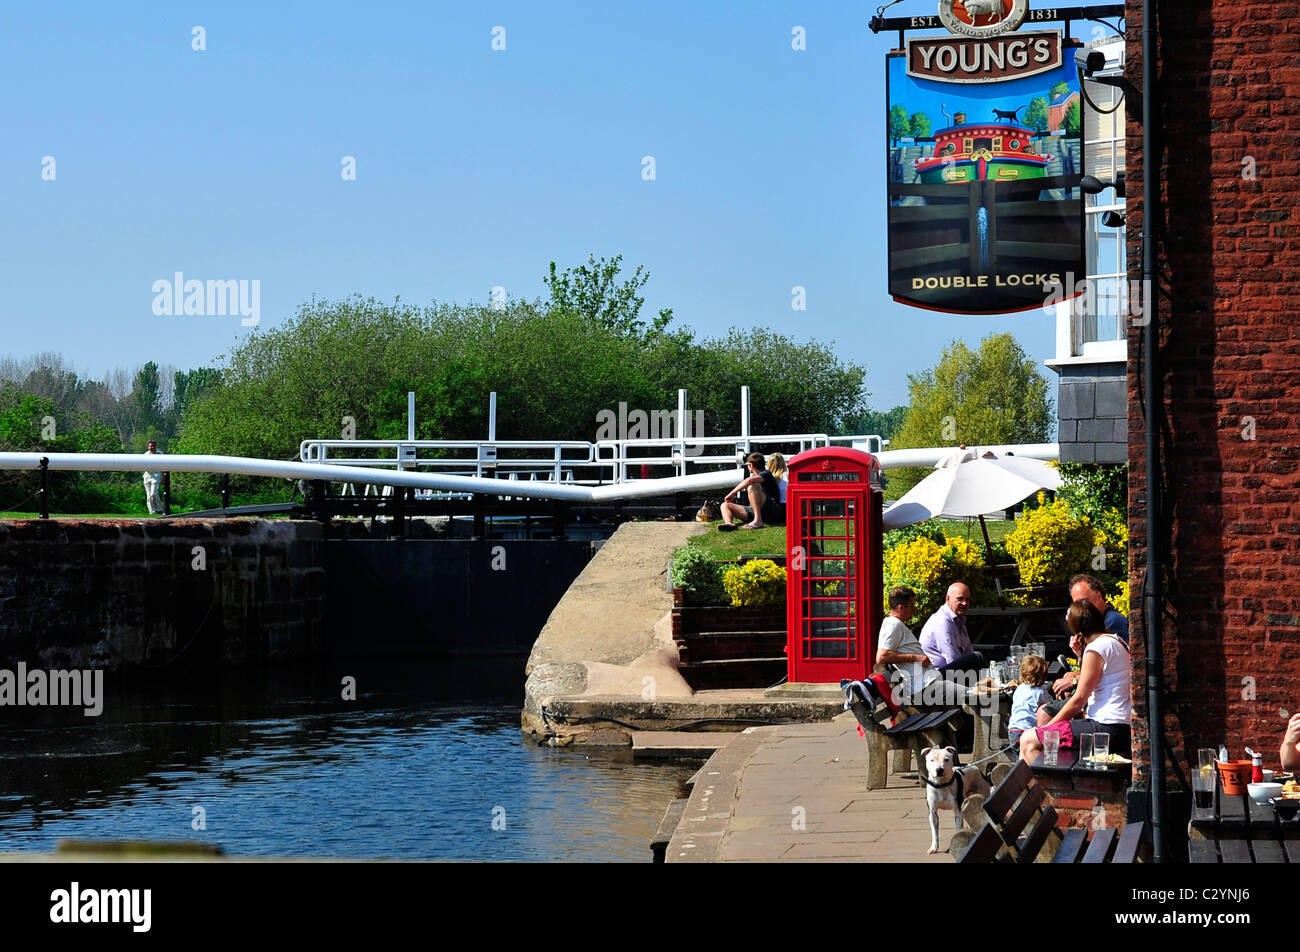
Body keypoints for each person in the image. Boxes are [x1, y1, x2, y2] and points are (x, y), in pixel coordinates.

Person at [1019, 600, 1131, 763]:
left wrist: (1047, 728)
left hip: (1107, 727)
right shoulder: (1116, 641)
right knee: (1034, 738)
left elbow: (1079, 699)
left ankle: (1045, 788)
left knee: (1028, 739)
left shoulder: (1096, 648)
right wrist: (1080, 654)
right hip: (1118, 726)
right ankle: (1032, 788)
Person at [1050, 574, 1130, 698]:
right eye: (1077, 604)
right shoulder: (1097, 623)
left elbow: (1112, 671)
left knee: (1044, 713)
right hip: (1099, 695)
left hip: (1110, 699)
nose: (1081, 608)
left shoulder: (1112, 623)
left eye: (1084, 601)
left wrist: (1075, 680)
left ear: (1099, 596)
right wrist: (1079, 653)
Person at [876, 586, 938, 699]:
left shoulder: (896, 624)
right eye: (912, 606)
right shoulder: (893, 624)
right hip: (926, 687)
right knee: (972, 695)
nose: (914, 609)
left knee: (975, 658)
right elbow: (881, 656)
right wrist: (915, 657)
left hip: (930, 679)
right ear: (901, 608)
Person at [919, 582, 986, 674]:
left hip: (951, 672)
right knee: (978, 658)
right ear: (948, 598)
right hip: (936, 677)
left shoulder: (959, 619)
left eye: (967, 599)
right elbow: (953, 659)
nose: (965, 603)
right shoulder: (941, 621)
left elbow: (968, 652)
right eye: (960, 599)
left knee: (979, 660)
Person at [719, 452, 783, 530]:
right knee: (725, 505)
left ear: (751, 465)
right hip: (755, 510)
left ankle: (758, 521)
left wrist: (732, 493)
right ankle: (729, 524)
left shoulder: (766, 474)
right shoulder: (757, 476)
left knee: (751, 486)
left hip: (771, 511)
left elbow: (750, 480)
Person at [1007, 654, 1050, 748]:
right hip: (1028, 731)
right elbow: (1051, 707)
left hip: (1013, 729)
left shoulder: (1019, 689)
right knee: (1031, 758)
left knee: (1020, 759)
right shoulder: (1041, 693)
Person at [143, 440, 163, 515]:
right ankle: (152, 511)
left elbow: (163, 465)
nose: (152, 447)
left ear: (156, 446)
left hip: (156, 475)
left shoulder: (160, 454)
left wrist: (163, 476)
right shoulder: (146, 454)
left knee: (154, 493)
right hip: (147, 475)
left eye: (153, 446)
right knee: (148, 496)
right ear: (148, 447)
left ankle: (159, 508)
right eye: (150, 446)